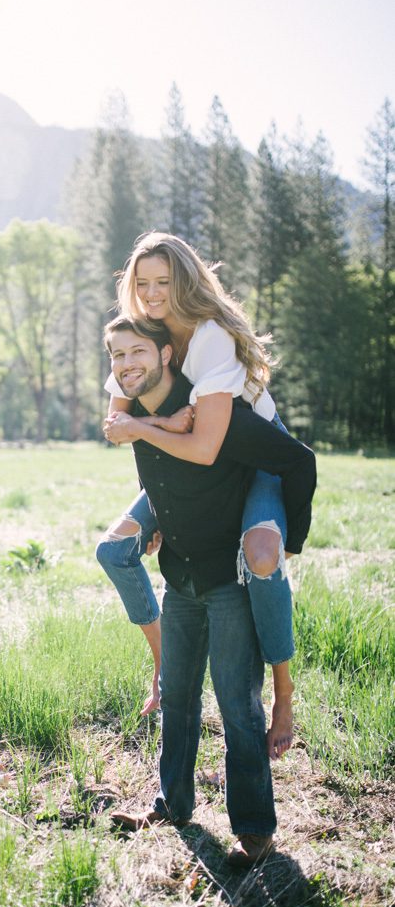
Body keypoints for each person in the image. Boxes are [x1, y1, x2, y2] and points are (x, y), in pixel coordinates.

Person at [103, 314, 316, 865]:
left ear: (167, 355)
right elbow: (153, 478)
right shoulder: (133, 409)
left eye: (138, 354)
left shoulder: (205, 407)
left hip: (228, 581)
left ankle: (254, 832)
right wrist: (151, 523)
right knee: (177, 696)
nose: (127, 365)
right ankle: (171, 804)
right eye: (117, 356)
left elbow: (261, 461)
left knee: (237, 706)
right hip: (180, 575)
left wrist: (173, 427)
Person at [97, 232, 299, 759]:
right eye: (143, 283)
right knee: (115, 550)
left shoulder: (209, 335)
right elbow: (121, 421)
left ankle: (283, 692)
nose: (154, 292)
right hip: (185, 466)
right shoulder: (139, 334)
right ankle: (165, 665)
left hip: (252, 462)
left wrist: (152, 427)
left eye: (164, 281)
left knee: (258, 557)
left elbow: (207, 443)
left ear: (185, 279)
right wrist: (161, 491)